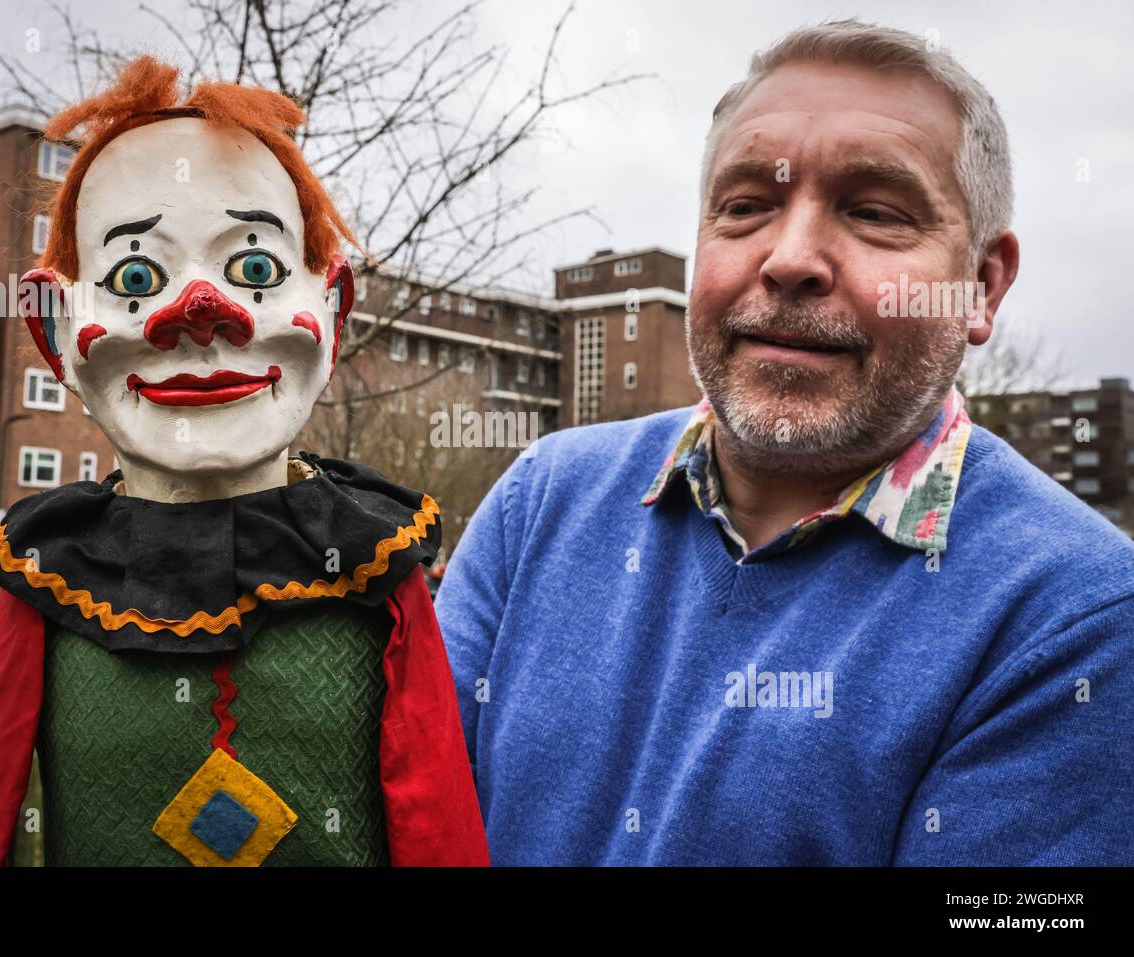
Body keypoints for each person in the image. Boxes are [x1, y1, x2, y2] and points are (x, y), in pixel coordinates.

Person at [434, 19, 1134, 865]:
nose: (790, 257)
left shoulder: (1079, 617)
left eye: (874, 212)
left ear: (981, 285)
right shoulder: (538, 501)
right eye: (746, 208)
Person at [0, 56, 486, 867]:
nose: (199, 311)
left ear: (333, 305)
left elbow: (440, 831)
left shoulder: (373, 565)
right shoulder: (53, 575)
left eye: (255, 268)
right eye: (137, 276)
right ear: (55, 330)